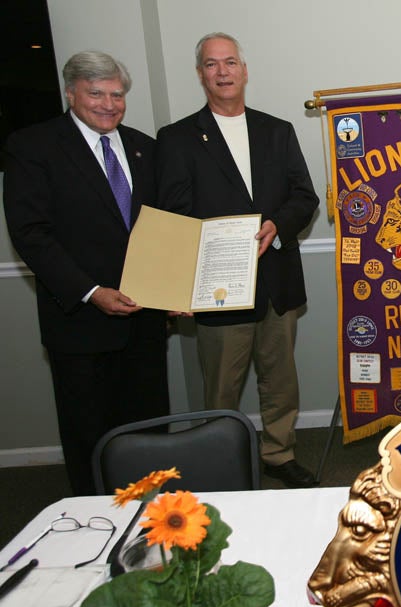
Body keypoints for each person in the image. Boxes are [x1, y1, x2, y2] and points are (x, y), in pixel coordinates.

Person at [3, 51, 170, 495]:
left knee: (149, 432)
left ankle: (157, 519)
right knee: (90, 440)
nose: (108, 104)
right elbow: (30, 233)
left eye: (117, 94)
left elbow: (163, 226)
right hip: (80, 325)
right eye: (96, 93)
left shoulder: (144, 147)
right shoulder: (33, 146)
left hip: (144, 321)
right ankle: (95, 522)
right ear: (71, 91)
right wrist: (92, 291)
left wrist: (177, 289)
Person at [156, 33, 319, 487]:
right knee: (222, 388)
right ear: (200, 74)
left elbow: (304, 197)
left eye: (230, 62)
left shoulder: (277, 130)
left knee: (281, 380)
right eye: (212, 64)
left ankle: (279, 454)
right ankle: (219, 462)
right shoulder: (177, 138)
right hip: (217, 286)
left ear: (244, 71)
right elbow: (175, 212)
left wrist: (278, 226)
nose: (223, 72)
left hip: (277, 282)